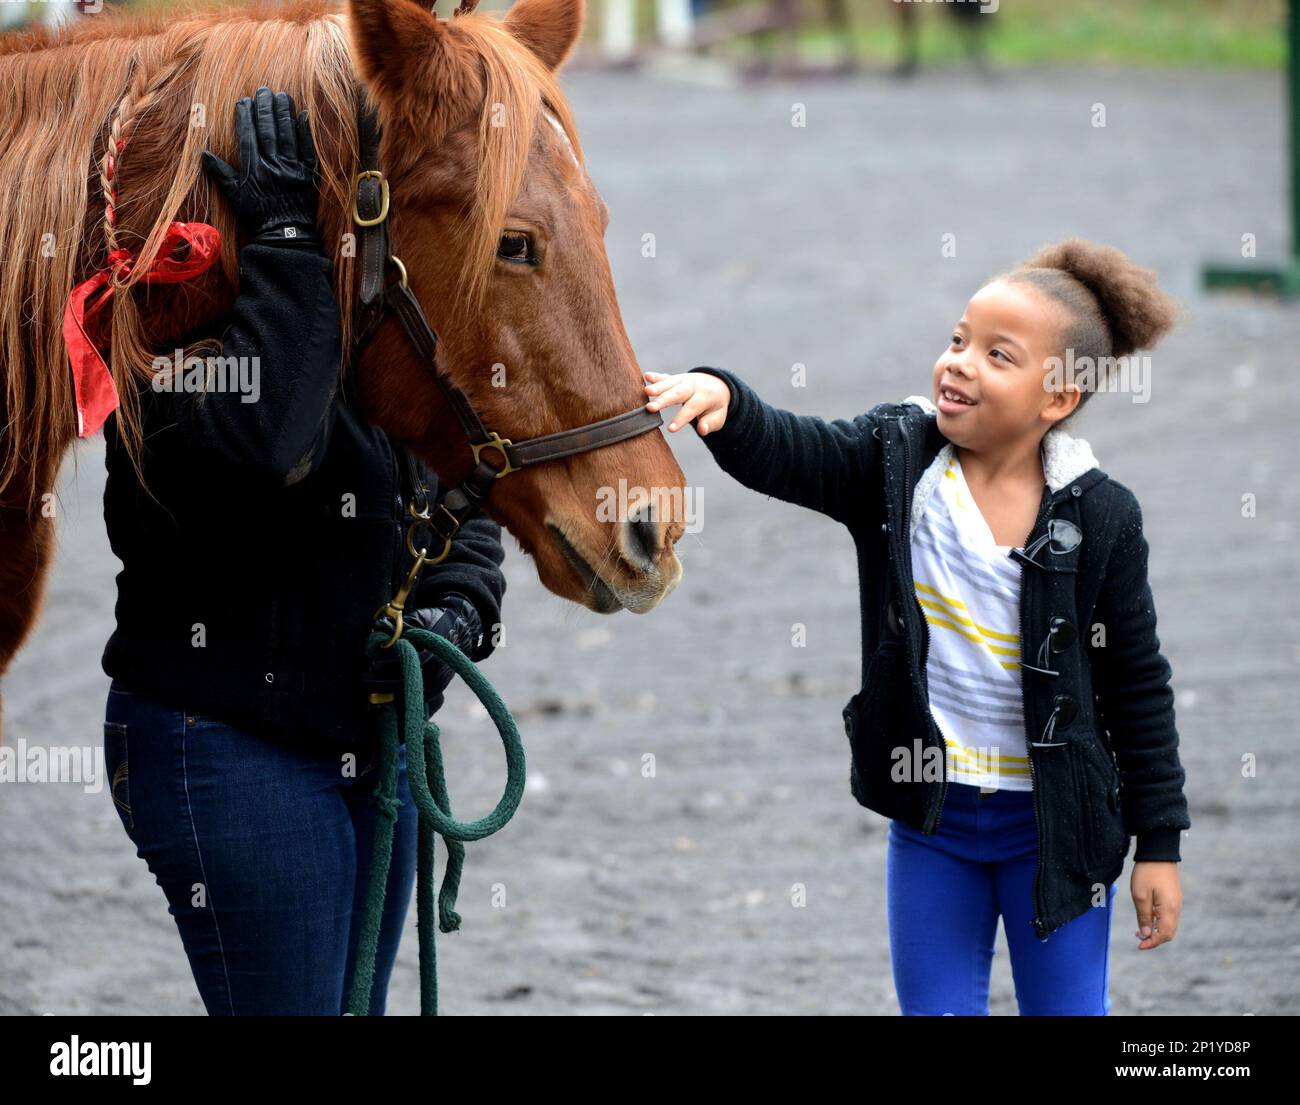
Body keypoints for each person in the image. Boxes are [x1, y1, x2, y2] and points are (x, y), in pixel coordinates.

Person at [643, 238, 1190, 1015]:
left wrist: (1159, 845)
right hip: (934, 826)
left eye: (998, 355)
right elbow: (801, 454)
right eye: (958, 339)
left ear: (1057, 398)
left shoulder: (1101, 516)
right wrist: (729, 405)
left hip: (1060, 834)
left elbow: (1139, 686)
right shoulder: (898, 461)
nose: (959, 362)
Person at [100, 88, 508, 1016]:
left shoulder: (382, 306)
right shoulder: (169, 309)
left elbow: (460, 476)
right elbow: (268, 445)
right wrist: (285, 246)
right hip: (226, 740)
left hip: (371, 741)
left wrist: (459, 603)